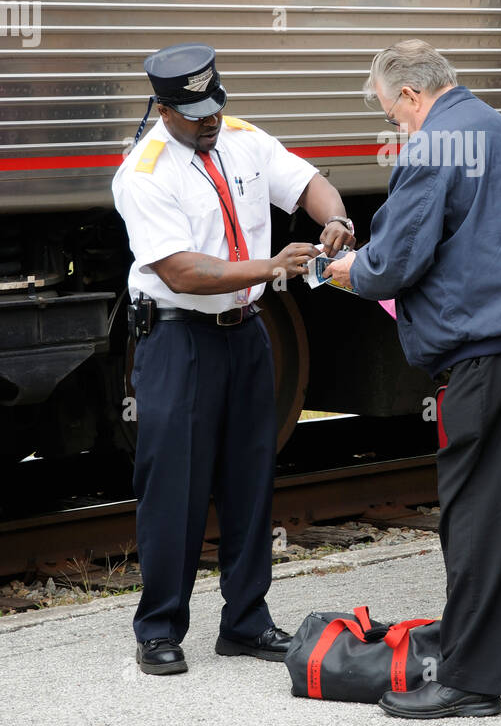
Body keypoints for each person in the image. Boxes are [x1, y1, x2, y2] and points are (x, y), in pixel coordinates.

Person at [326, 40, 501, 719]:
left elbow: (392, 264)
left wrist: (344, 270)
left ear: (411, 96)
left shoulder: (435, 144)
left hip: (492, 348)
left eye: (391, 116)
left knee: (476, 511)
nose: (396, 129)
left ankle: (469, 679)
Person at [113, 43, 355, 676]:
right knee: (174, 487)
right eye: (195, 113)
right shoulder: (143, 173)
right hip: (178, 340)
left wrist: (336, 220)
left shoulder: (243, 138)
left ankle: (245, 621)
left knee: (251, 477)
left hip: (246, 333)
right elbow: (183, 271)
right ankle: (160, 628)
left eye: (214, 106)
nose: (210, 121)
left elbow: (309, 185)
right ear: (163, 110)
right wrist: (273, 265)